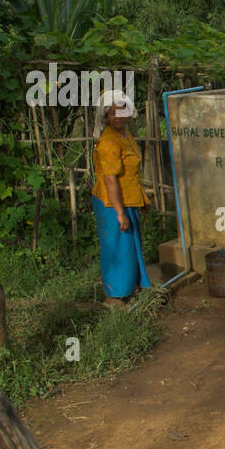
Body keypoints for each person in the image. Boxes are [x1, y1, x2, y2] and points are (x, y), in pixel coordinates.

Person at [90, 89, 151, 307]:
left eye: (122, 111)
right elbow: (110, 180)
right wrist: (119, 212)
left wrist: (140, 198)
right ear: (105, 116)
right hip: (111, 203)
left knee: (130, 246)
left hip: (127, 199)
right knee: (116, 247)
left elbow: (130, 173)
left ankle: (130, 288)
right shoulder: (108, 142)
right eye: (113, 113)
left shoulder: (125, 135)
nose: (119, 117)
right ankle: (113, 296)